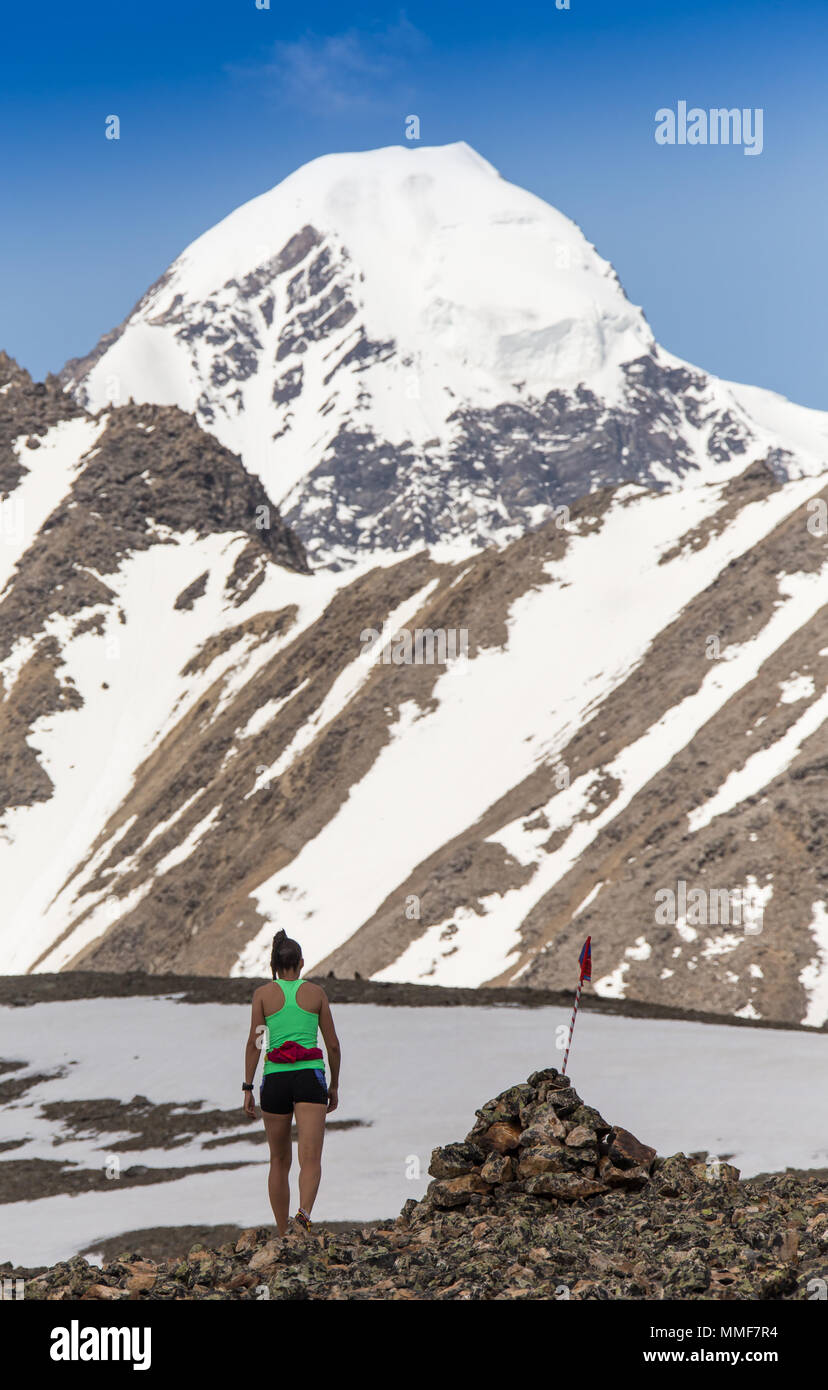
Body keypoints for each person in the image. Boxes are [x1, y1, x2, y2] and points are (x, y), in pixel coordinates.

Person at [242, 930, 341, 1236]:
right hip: (310, 1077)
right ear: (301, 963)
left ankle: (282, 1232)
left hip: (275, 1079)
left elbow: (255, 1043)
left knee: (278, 1160)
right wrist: (333, 1086)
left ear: (274, 964)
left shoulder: (262, 995)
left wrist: (247, 1087)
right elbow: (333, 1045)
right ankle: (304, 1217)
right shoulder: (316, 994)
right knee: (310, 1158)